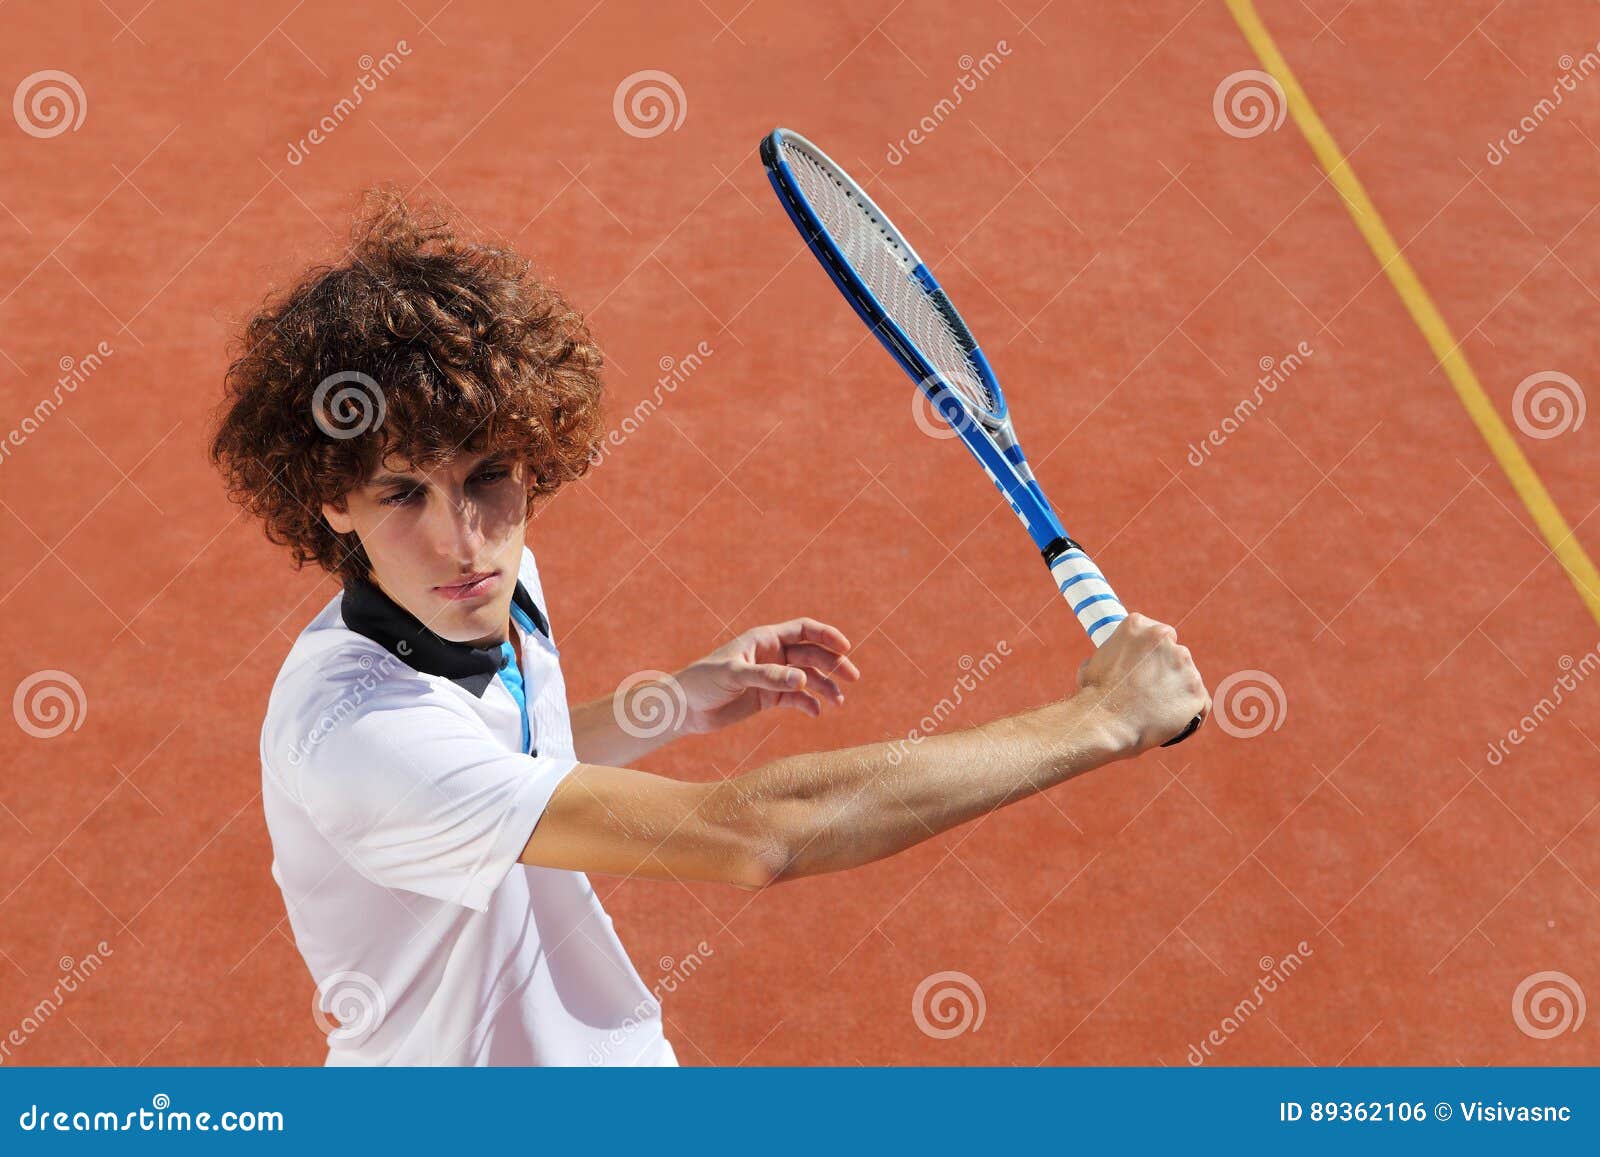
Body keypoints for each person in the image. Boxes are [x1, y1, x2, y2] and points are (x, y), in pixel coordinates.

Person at [209, 189, 1209, 1067]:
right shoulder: (357, 735)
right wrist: (1102, 719)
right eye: (401, 494)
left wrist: (671, 700)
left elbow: (504, 754)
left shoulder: (482, 591)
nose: (462, 538)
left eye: (489, 477)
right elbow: (756, 836)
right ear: (330, 500)